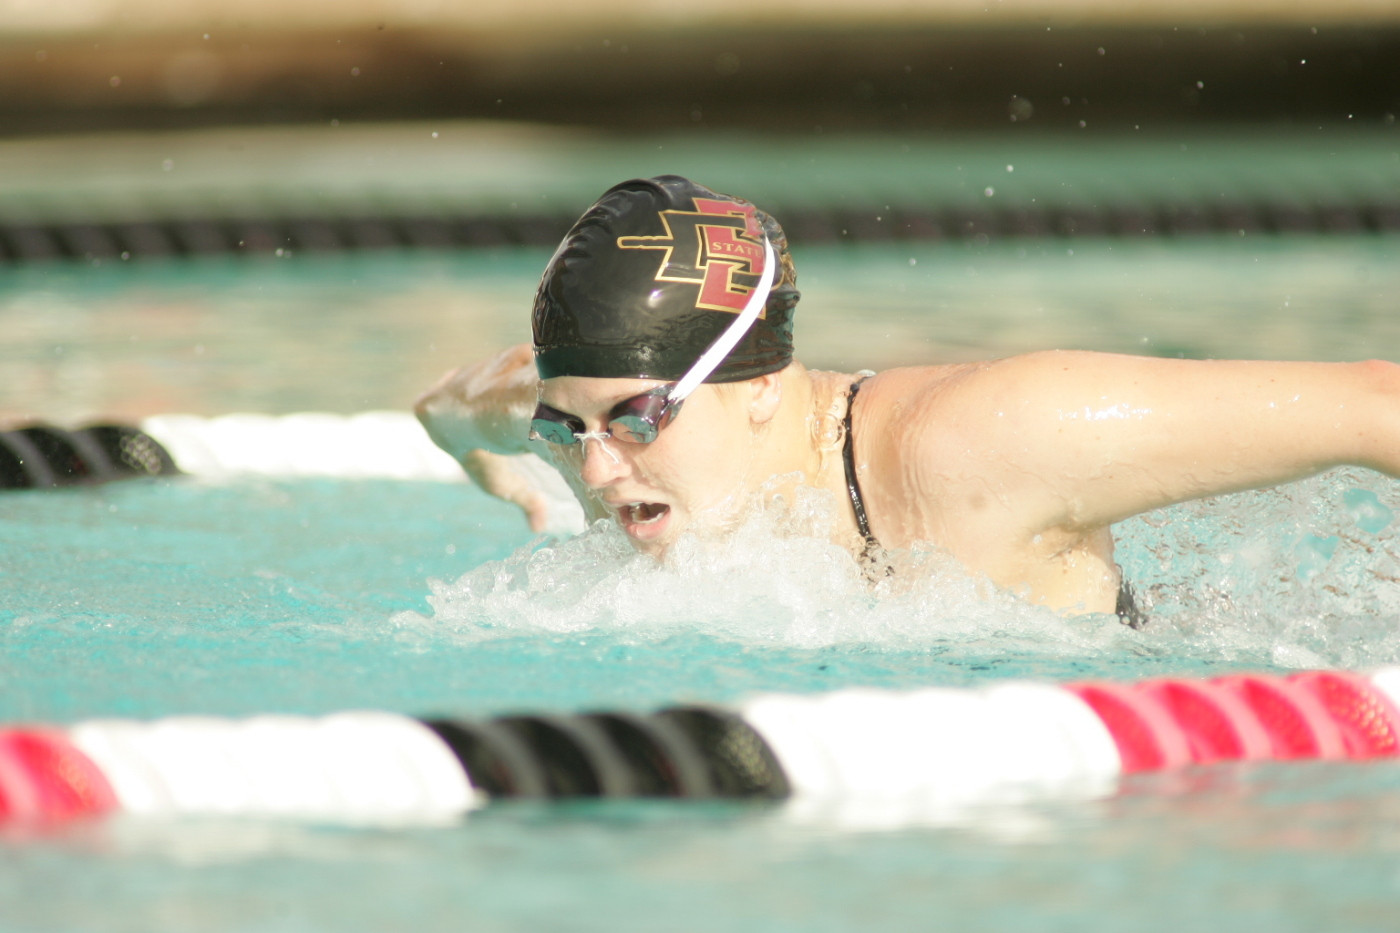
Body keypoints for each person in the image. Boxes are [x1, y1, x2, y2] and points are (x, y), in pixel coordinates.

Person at [415, 175, 1400, 622]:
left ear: (756, 386)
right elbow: (452, 403)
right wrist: (487, 460)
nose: (593, 466)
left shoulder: (984, 441)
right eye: (565, 427)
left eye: (634, 420)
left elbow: (1372, 402)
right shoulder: (580, 415)